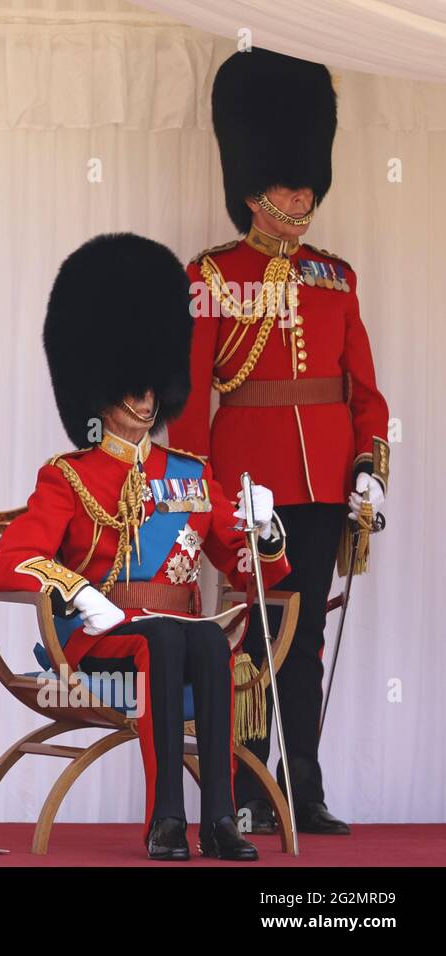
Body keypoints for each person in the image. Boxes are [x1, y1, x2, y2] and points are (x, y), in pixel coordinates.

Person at [0, 233, 292, 860]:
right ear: (100, 389)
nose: (146, 398)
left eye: (153, 384)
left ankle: (219, 822)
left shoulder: (190, 473)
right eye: (133, 384)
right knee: (167, 638)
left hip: (174, 639)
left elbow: (246, 564)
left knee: (202, 635)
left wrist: (266, 531)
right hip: (97, 643)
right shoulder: (68, 476)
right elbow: (8, 562)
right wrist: (76, 590)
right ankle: (164, 820)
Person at [167, 49, 390, 836]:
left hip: (325, 480)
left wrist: (369, 465)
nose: (300, 193)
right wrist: (197, 493)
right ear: (252, 188)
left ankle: (305, 790)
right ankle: (248, 789)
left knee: (307, 642)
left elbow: (363, 390)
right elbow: (192, 400)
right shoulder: (212, 274)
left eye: (306, 182)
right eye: (287, 181)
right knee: (252, 642)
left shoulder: (337, 277)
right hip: (246, 483)